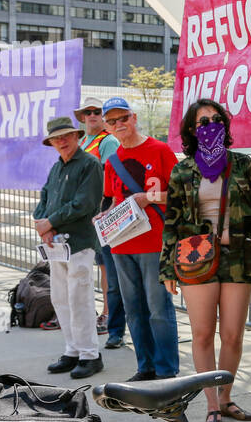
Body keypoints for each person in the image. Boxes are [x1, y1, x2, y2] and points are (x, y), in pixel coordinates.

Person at [161, 98, 251, 422]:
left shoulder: (243, 164)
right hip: (196, 258)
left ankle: (226, 397)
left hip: (237, 258)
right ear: (192, 129)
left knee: (233, 334)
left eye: (215, 119)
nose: (209, 126)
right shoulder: (182, 170)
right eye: (202, 121)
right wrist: (166, 268)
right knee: (203, 334)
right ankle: (210, 404)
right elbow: (172, 221)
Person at [101, 95, 179, 382]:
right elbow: (114, 201)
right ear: (107, 128)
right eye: (112, 121)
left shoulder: (160, 150)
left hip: (154, 241)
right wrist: (105, 217)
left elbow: (179, 195)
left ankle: (166, 369)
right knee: (133, 308)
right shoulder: (112, 162)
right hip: (122, 243)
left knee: (158, 307)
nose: (119, 124)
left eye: (123, 118)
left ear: (134, 118)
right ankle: (144, 366)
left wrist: (148, 197)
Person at [34, 116, 105, 380]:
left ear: (76, 136)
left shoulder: (90, 164)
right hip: (57, 243)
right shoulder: (57, 167)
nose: (61, 141)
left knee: (79, 298)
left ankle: (90, 354)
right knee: (61, 298)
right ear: (51, 142)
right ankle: (73, 349)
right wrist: (44, 223)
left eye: (66, 136)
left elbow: (85, 203)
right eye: (56, 138)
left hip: (79, 241)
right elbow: (44, 197)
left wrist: (49, 222)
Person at [76, 97, 125, 347]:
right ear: (82, 116)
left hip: (104, 212)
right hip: (89, 215)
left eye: (97, 112)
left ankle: (108, 316)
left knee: (109, 270)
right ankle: (104, 315)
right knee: (100, 267)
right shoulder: (84, 141)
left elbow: (110, 179)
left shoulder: (108, 141)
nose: (92, 115)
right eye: (88, 112)